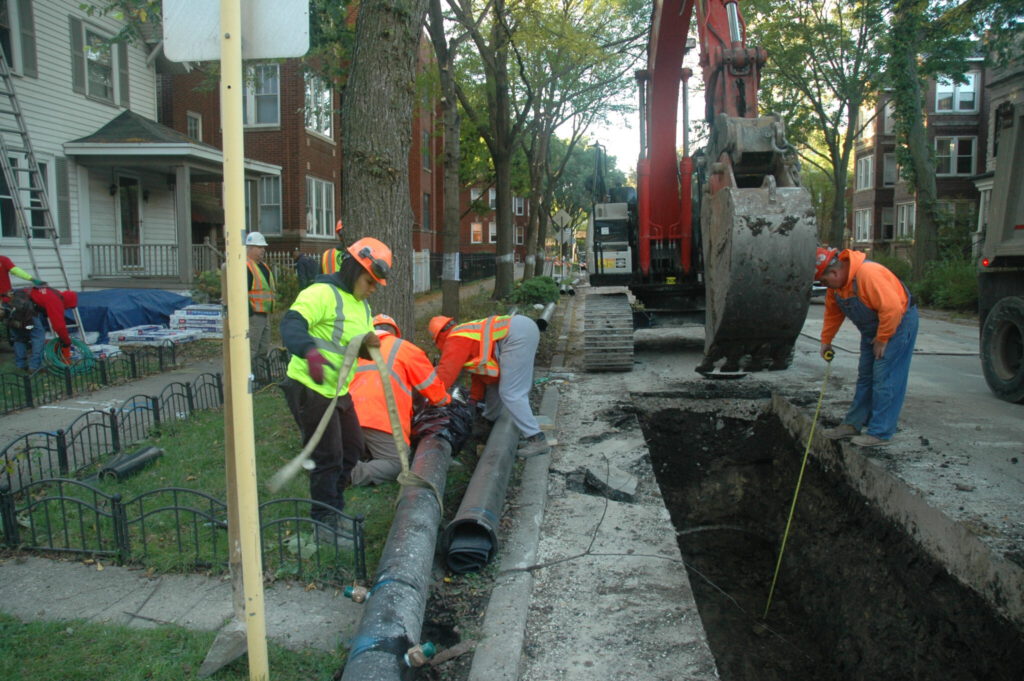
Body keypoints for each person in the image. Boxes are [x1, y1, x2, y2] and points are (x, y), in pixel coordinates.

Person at [278, 236, 390, 526]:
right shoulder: (321, 293)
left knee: (352, 448)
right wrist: (310, 353)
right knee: (328, 455)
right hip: (309, 386)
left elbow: (354, 343)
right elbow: (291, 323)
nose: (373, 289)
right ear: (355, 269)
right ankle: (325, 518)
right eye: (370, 281)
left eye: (377, 283)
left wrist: (371, 349)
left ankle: (334, 502)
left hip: (337, 389)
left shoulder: (361, 305)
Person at [816, 247, 919, 447]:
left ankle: (881, 432)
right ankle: (853, 424)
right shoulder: (837, 288)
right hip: (875, 329)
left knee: (885, 376)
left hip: (897, 324)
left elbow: (892, 308)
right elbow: (833, 314)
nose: (826, 287)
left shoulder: (867, 274)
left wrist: (883, 338)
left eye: (825, 281)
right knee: (865, 375)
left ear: (835, 273)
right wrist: (826, 341)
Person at [348, 314, 451, 486]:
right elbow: (432, 388)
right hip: (380, 420)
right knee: (396, 464)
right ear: (394, 332)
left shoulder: (355, 350)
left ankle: (335, 460)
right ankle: (349, 474)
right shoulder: (404, 348)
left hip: (346, 418)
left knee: (360, 449)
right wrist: (445, 400)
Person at [429, 313, 550, 458]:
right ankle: (488, 421)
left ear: (438, 337)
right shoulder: (466, 334)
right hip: (521, 328)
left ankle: (536, 439)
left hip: (516, 335)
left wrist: (431, 399)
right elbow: (481, 373)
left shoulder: (455, 339)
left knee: (511, 393)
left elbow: (445, 374)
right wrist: (473, 399)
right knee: (496, 385)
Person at [8, 287, 78, 371]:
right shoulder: (56, 301)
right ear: (68, 302)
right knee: (38, 337)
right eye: (68, 307)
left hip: (14, 309)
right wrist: (66, 341)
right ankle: (35, 366)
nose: (66, 309)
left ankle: (20, 365)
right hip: (27, 312)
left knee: (19, 338)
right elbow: (59, 326)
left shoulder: (51, 292)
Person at [245, 232, 276, 361]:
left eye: (263, 247)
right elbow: (242, 293)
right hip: (254, 315)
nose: (263, 250)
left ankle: (260, 376)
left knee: (263, 348)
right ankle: (249, 377)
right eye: (259, 247)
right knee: (252, 349)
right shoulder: (246, 267)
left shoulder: (263, 266)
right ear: (250, 248)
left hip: (264, 313)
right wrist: (249, 311)